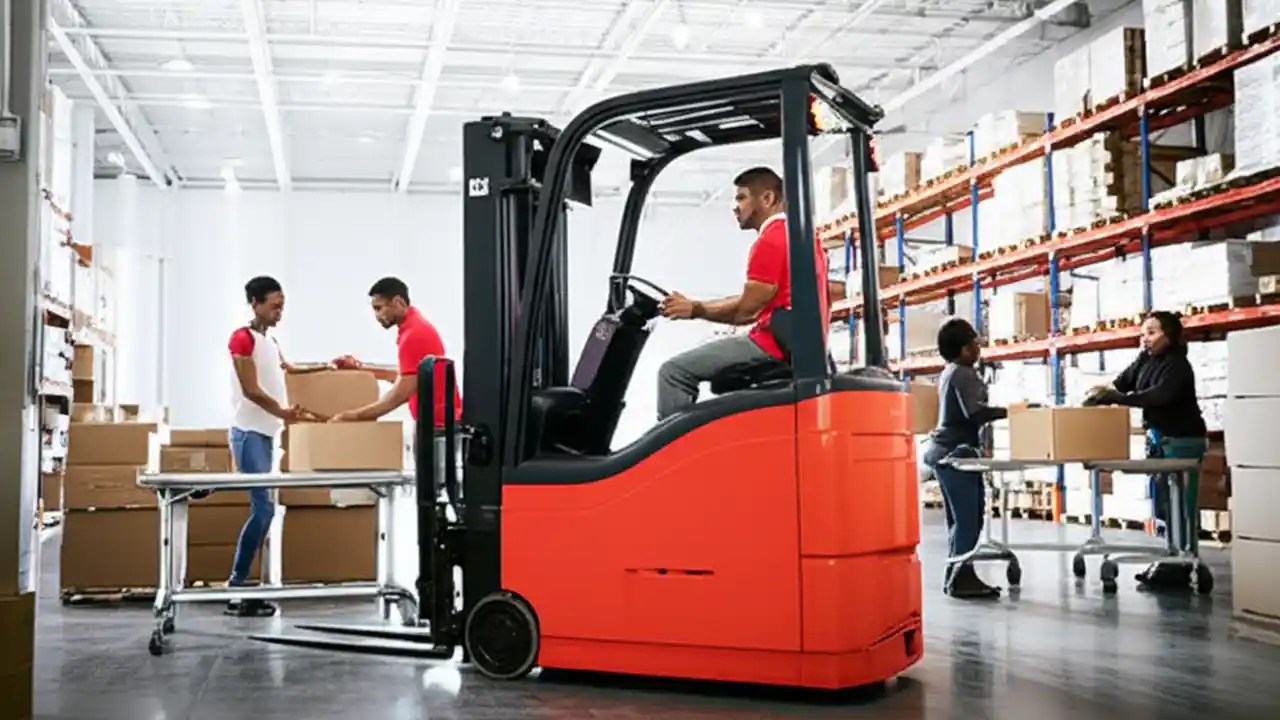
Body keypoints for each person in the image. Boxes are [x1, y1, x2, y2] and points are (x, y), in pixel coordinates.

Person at [656, 167, 831, 419]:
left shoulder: (770, 241)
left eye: (741, 197)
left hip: (771, 345)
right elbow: (753, 299)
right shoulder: (803, 237)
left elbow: (745, 312)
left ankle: (672, 455)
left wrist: (695, 310)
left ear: (767, 199)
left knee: (673, 373)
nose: (734, 206)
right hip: (795, 345)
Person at [1087, 310, 1207, 587]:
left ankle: (1184, 559)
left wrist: (1120, 398)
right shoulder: (1144, 361)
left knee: (1181, 505)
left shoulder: (1177, 365)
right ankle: (1171, 557)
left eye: (1152, 332)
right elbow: (1122, 382)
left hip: (1182, 440)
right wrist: (1100, 394)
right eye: (1143, 333)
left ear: (1170, 335)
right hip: (1159, 439)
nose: (1146, 339)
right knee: (1163, 504)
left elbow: (1158, 396)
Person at [225, 275, 317, 617]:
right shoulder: (242, 338)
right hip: (248, 432)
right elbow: (250, 389)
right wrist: (281, 411)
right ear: (255, 303)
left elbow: (291, 372)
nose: (280, 312)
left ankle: (246, 586)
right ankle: (235, 587)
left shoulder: (271, 342)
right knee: (262, 509)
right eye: (274, 306)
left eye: (283, 306)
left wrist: (332, 366)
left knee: (266, 511)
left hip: (266, 433)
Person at [920, 317, 1007, 600]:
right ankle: (960, 577)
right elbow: (976, 413)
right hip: (956, 454)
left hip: (944, 453)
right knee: (969, 520)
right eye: (974, 343)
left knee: (958, 520)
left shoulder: (950, 371)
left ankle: (956, 575)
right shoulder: (963, 373)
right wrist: (1011, 412)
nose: (978, 347)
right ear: (963, 348)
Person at [330, 276, 462, 426]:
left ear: (398, 302)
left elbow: (401, 393)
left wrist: (353, 416)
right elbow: (405, 376)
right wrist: (359, 368)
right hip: (436, 423)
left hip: (438, 427)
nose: (377, 316)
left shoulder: (414, 334)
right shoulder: (413, 326)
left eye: (379, 308)